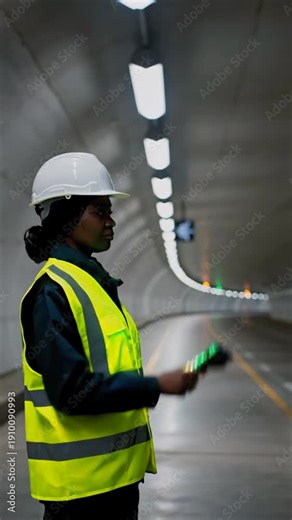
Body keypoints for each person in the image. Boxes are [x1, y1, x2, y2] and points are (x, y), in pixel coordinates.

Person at [20, 152, 204, 520]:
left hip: (114, 483)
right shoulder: (51, 293)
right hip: (79, 494)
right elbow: (72, 392)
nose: (111, 222)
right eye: (99, 212)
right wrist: (157, 385)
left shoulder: (94, 283)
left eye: (109, 212)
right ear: (66, 218)